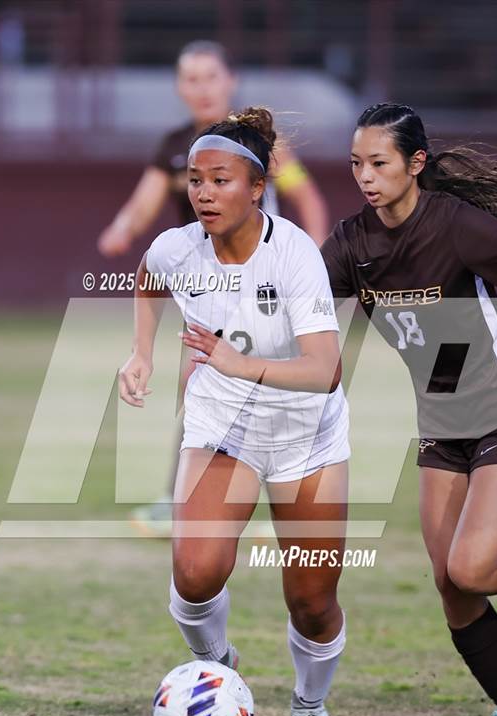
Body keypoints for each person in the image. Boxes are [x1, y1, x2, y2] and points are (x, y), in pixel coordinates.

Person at [321, 102, 497, 716]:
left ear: (415, 165)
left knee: (473, 566)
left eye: (379, 163)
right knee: (451, 582)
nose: (365, 175)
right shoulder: (353, 243)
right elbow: (300, 288)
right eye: (356, 163)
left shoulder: (455, 225)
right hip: (440, 427)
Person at [118, 107, 350, 716]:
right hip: (225, 424)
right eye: (194, 180)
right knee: (194, 573)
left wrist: (235, 361)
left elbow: (325, 370)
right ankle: (221, 663)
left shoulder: (295, 255)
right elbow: (147, 278)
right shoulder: (176, 247)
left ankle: (309, 706)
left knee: (311, 597)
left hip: (306, 429)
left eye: (220, 180)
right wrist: (143, 354)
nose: (203, 192)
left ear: (257, 187)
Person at [100, 41, 330, 535]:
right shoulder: (174, 146)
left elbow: (305, 197)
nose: (202, 88)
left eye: (211, 77)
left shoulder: (258, 144)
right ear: (180, 88)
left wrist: (313, 254)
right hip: (209, 284)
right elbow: (142, 207)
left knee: (277, 383)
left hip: (266, 281)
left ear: (230, 81)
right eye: (191, 79)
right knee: (201, 382)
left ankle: (280, 496)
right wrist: (121, 228)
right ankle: (183, 497)